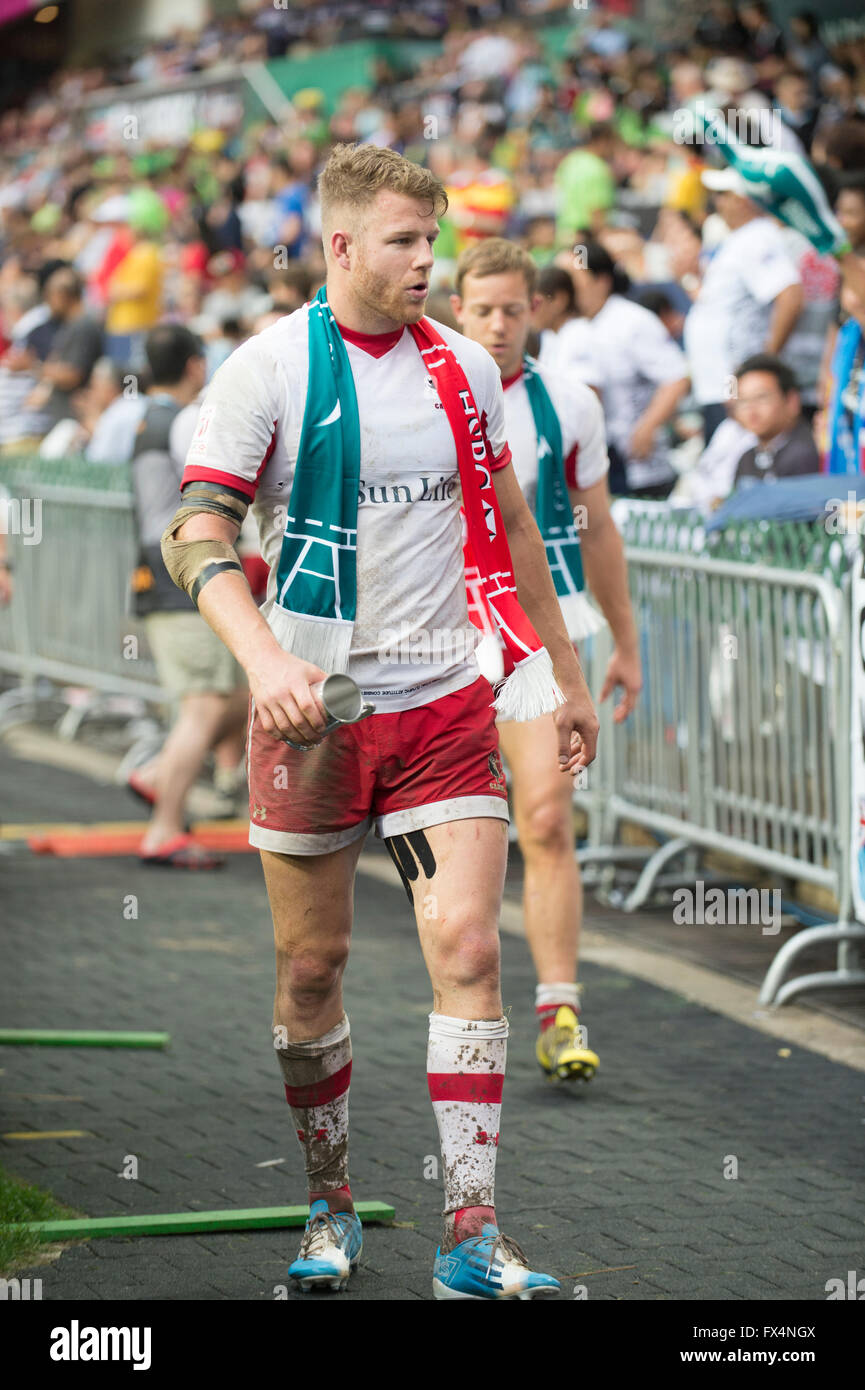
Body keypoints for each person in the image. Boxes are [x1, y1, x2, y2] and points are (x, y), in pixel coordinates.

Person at [160, 143, 599, 1301]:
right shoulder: (269, 369)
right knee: (313, 969)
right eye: (405, 241)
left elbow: (506, 518)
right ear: (342, 244)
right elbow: (194, 531)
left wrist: (561, 673)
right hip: (312, 711)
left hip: (449, 700)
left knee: (465, 948)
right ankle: (329, 1203)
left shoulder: (463, 365)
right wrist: (261, 661)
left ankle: (468, 1235)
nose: (427, 261)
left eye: (433, 238)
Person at [451, 236, 641, 1085]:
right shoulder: (427, 392)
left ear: (538, 310)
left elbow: (599, 529)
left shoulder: (570, 402)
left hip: (545, 631)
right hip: (447, 635)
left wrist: (624, 640)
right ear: (456, 309)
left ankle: (560, 1009)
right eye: (482, 308)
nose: (498, 324)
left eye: (512, 308)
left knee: (547, 819)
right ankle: (463, 1006)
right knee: (457, 834)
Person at [128, 323, 248, 865]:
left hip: (159, 575)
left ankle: (158, 777)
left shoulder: (141, 420)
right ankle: (165, 827)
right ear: (197, 366)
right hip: (181, 576)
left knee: (235, 698)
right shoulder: (181, 421)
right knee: (204, 708)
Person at [558, 241, 690, 498]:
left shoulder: (632, 321)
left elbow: (676, 377)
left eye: (575, 280)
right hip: (589, 464)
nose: (567, 289)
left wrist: (647, 428)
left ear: (602, 281)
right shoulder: (568, 328)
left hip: (638, 466)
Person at [683, 168, 803, 444]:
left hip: (735, 390)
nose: (718, 203)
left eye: (724, 195)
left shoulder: (757, 237)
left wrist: (762, 367)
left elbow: (791, 295)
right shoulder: (740, 238)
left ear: (745, 199)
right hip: (723, 386)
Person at [731, 355, 821, 483]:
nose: (751, 409)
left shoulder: (806, 453)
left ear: (791, 401)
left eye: (761, 397)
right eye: (743, 401)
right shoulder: (747, 458)